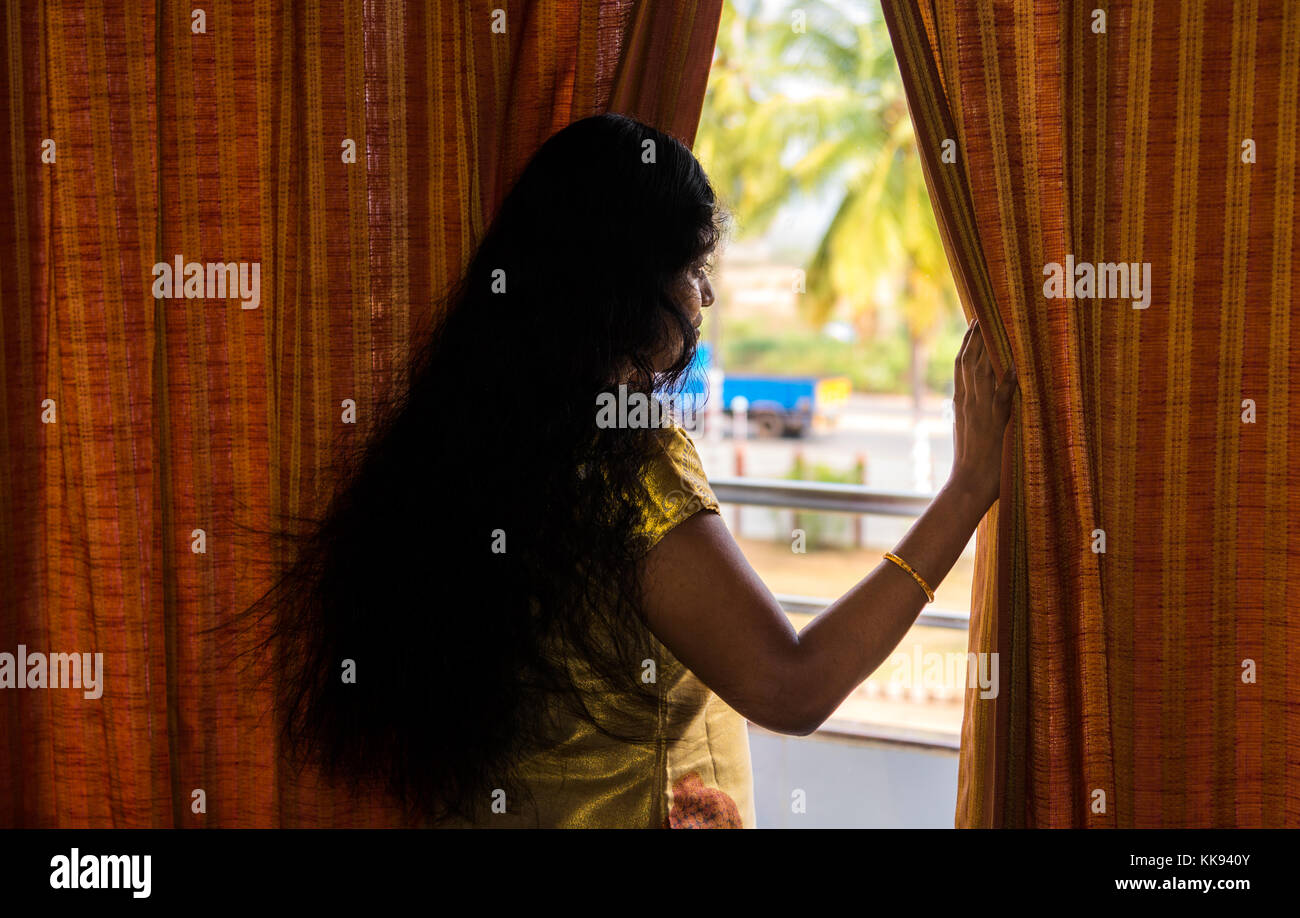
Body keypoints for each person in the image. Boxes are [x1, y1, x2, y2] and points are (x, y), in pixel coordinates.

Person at [248, 112, 1017, 828]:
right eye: (694, 267)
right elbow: (792, 687)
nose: (706, 293)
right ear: (624, 283)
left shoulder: (467, 431)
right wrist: (967, 488)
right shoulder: (627, 463)